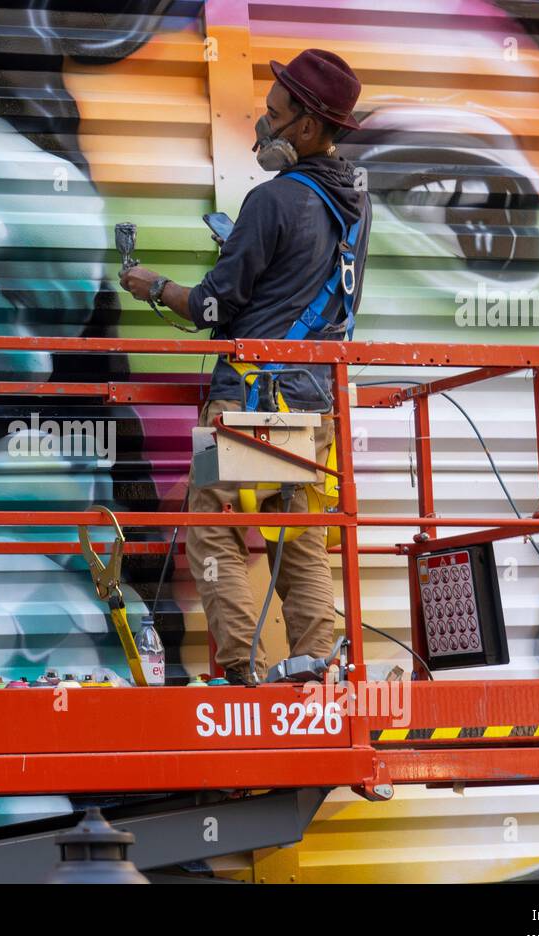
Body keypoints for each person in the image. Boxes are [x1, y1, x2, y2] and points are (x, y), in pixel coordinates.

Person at [118, 49, 371, 685]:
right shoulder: (355, 207)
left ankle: (244, 670)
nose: (263, 123)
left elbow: (209, 305)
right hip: (315, 400)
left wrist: (151, 285)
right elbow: (305, 287)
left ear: (309, 127)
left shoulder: (275, 199)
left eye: (275, 113)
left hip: (258, 398)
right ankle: (317, 661)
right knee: (297, 532)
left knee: (210, 525)